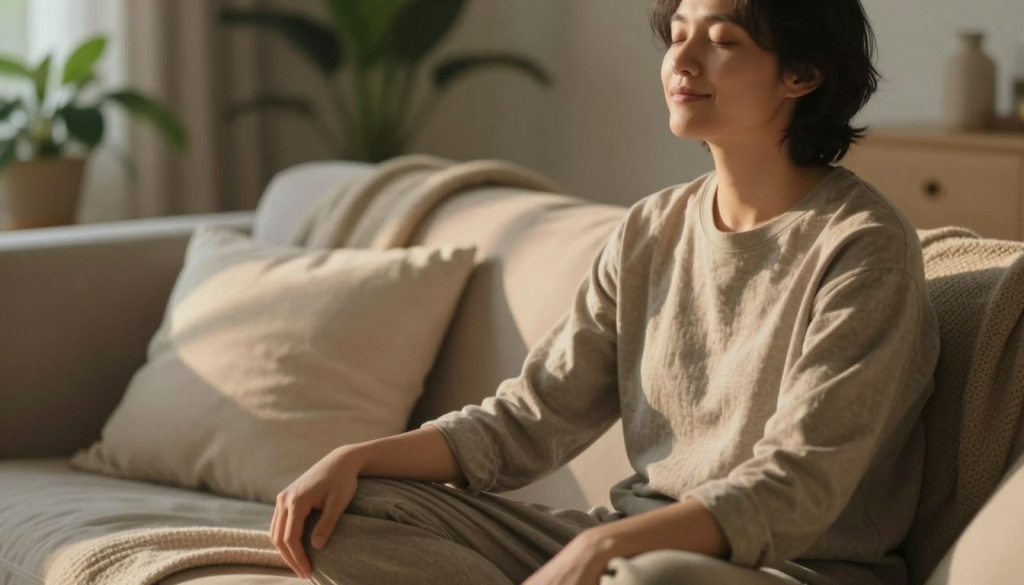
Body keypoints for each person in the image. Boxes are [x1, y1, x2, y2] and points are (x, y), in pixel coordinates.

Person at [269, 0, 941, 583]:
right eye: (678, 33)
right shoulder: (650, 227)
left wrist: (607, 542)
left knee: (653, 579)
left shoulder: (864, 245)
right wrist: (353, 456)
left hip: (784, 568)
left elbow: (799, 484)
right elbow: (530, 420)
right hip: (627, 545)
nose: (684, 61)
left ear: (802, 74)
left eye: (724, 41)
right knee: (348, 510)